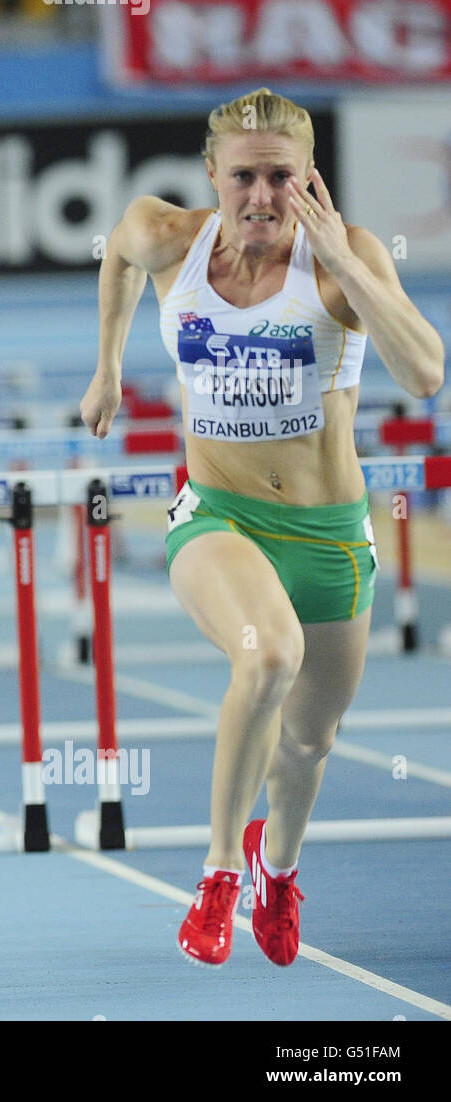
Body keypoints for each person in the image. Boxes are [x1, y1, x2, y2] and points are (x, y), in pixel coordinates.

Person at [80, 88, 443, 967]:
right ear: (213, 175)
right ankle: (216, 879)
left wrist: (348, 266)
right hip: (217, 516)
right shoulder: (169, 236)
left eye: (281, 178)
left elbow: (426, 373)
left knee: (310, 741)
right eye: (243, 176)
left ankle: (276, 869)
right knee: (267, 656)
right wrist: (108, 371)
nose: (261, 197)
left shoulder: (340, 261)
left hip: (327, 537)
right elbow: (119, 260)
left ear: (308, 181)